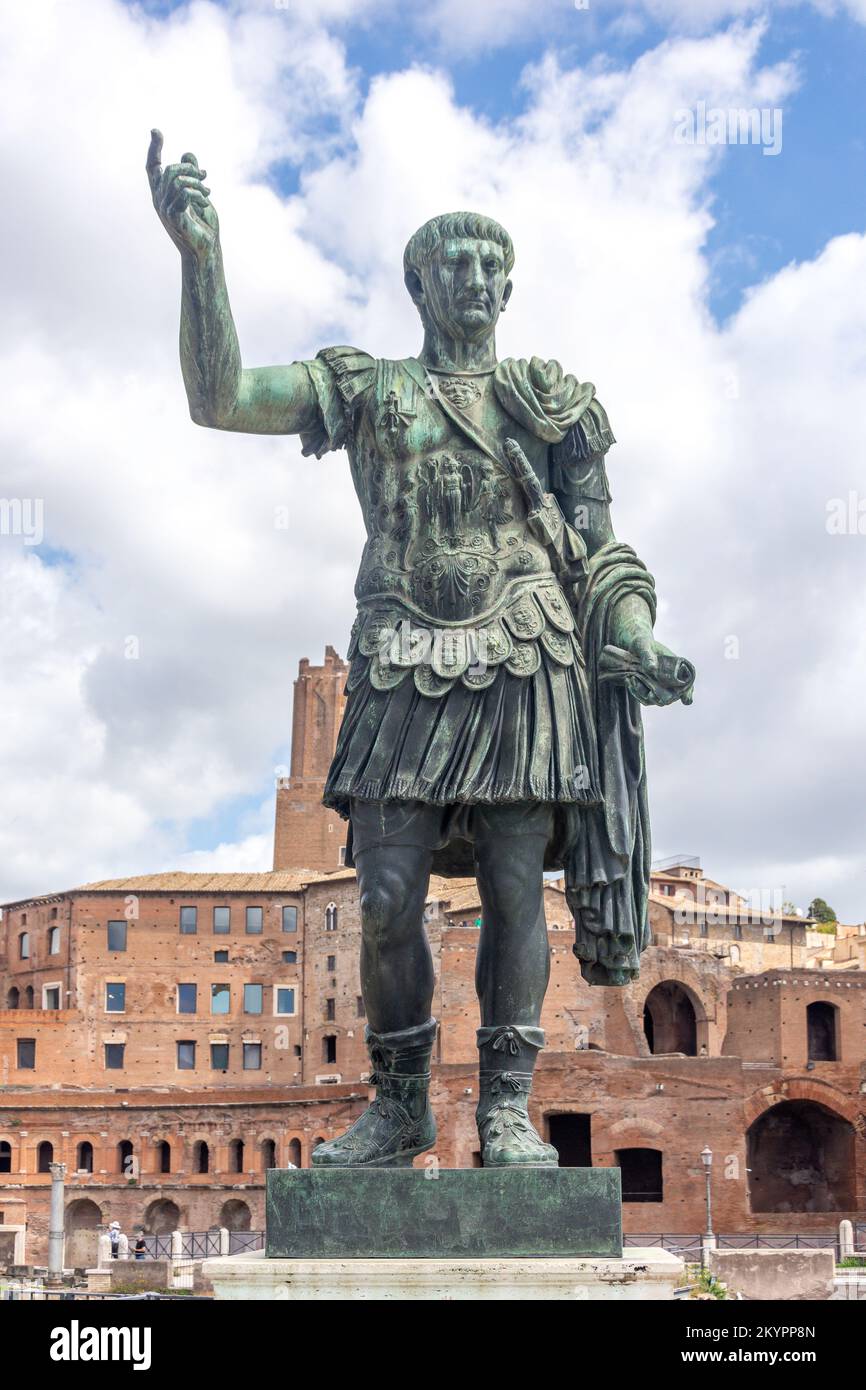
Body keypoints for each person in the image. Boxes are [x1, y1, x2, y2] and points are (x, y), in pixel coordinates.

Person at [147, 132, 694, 1169]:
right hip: (398, 650)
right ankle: (399, 1102)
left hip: (527, 650)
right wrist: (200, 258)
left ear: (509, 286)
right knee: (387, 893)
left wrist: (634, 635)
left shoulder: (549, 401)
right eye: (454, 262)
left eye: (491, 265)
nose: (474, 278)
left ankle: (502, 1106)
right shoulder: (368, 387)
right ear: (417, 282)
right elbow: (220, 400)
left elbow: (601, 546)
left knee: (507, 882)